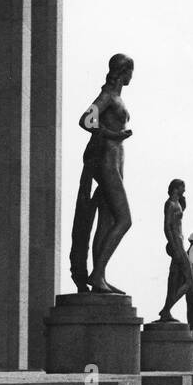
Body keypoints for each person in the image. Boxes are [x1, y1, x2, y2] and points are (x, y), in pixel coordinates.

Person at [69, 53, 134, 293]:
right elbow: (86, 120)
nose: (131, 77)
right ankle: (97, 274)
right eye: (130, 72)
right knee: (125, 219)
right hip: (107, 160)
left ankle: (100, 277)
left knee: (106, 222)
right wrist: (112, 134)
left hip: (115, 162)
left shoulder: (115, 96)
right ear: (123, 72)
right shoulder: (108, 95)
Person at [158, 179, 193, 320]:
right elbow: (167, 227)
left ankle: (166, 310)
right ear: (175, 188)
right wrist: (173, 245)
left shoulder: (177, 203)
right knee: (189, 280)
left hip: (179, 243)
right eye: (182, 187)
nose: (184, 190)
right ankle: (166, 309)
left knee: (174, 280)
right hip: (177, 245)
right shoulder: (170, 204)